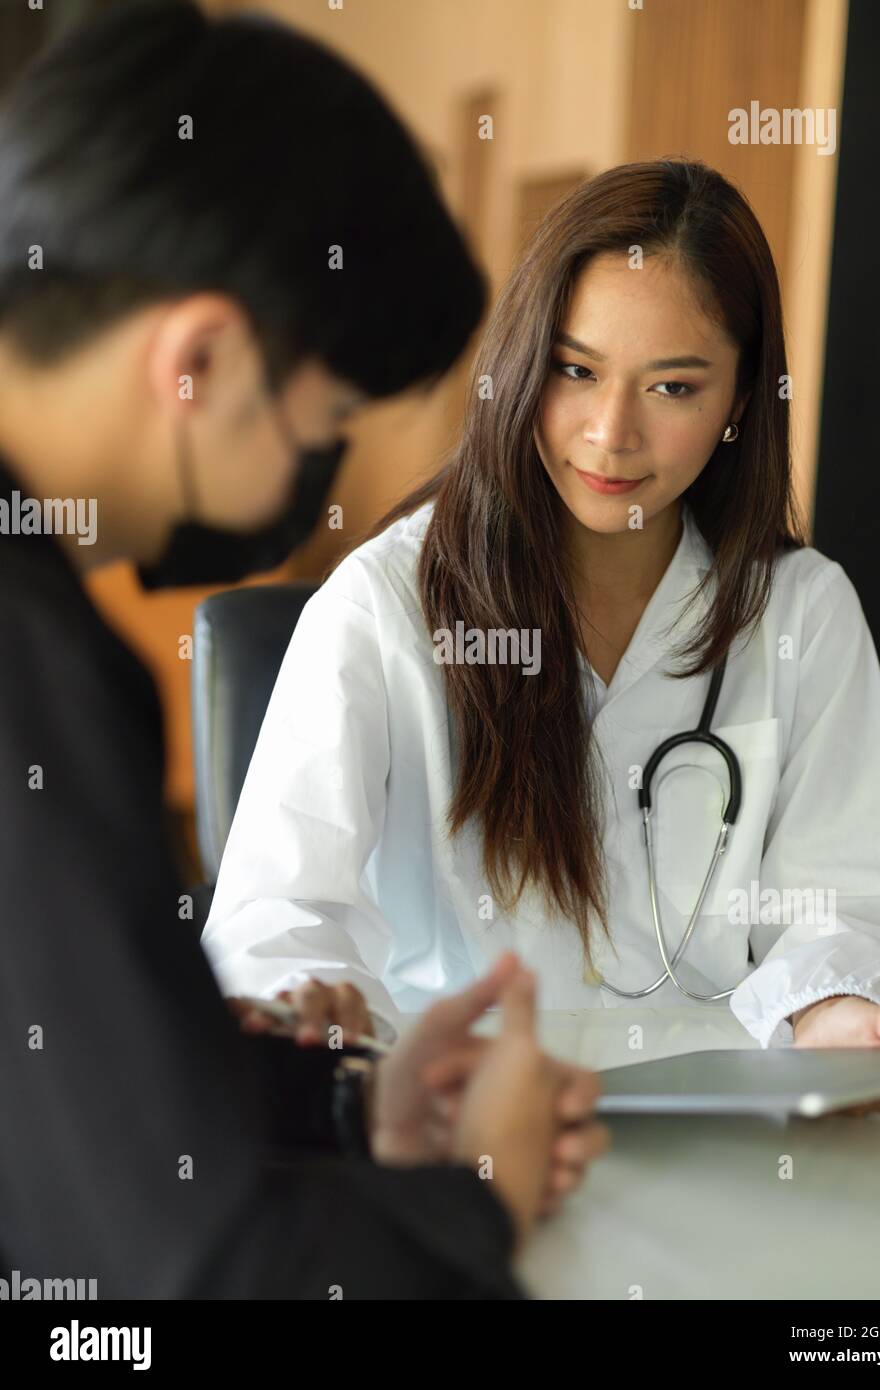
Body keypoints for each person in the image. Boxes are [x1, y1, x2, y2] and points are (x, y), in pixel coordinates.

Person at [0, 0, 605, 1301]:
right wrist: (479, 1197)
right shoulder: (30, 664)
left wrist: (333, 1105)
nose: (315, 477)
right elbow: (201, 1268)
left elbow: (73, 1087)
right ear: (200, 359)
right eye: (323, 419)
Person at [203, 158, 880, 1117]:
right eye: (575, 371)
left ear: (743, 402)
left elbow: (841, 905)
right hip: (462, 1118)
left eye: (673, 388)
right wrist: (311, 999)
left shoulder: (801, 612)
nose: (609, 434)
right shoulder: (383, 605)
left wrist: (832, 1006)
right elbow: (279, 914)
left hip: (728, 1125)